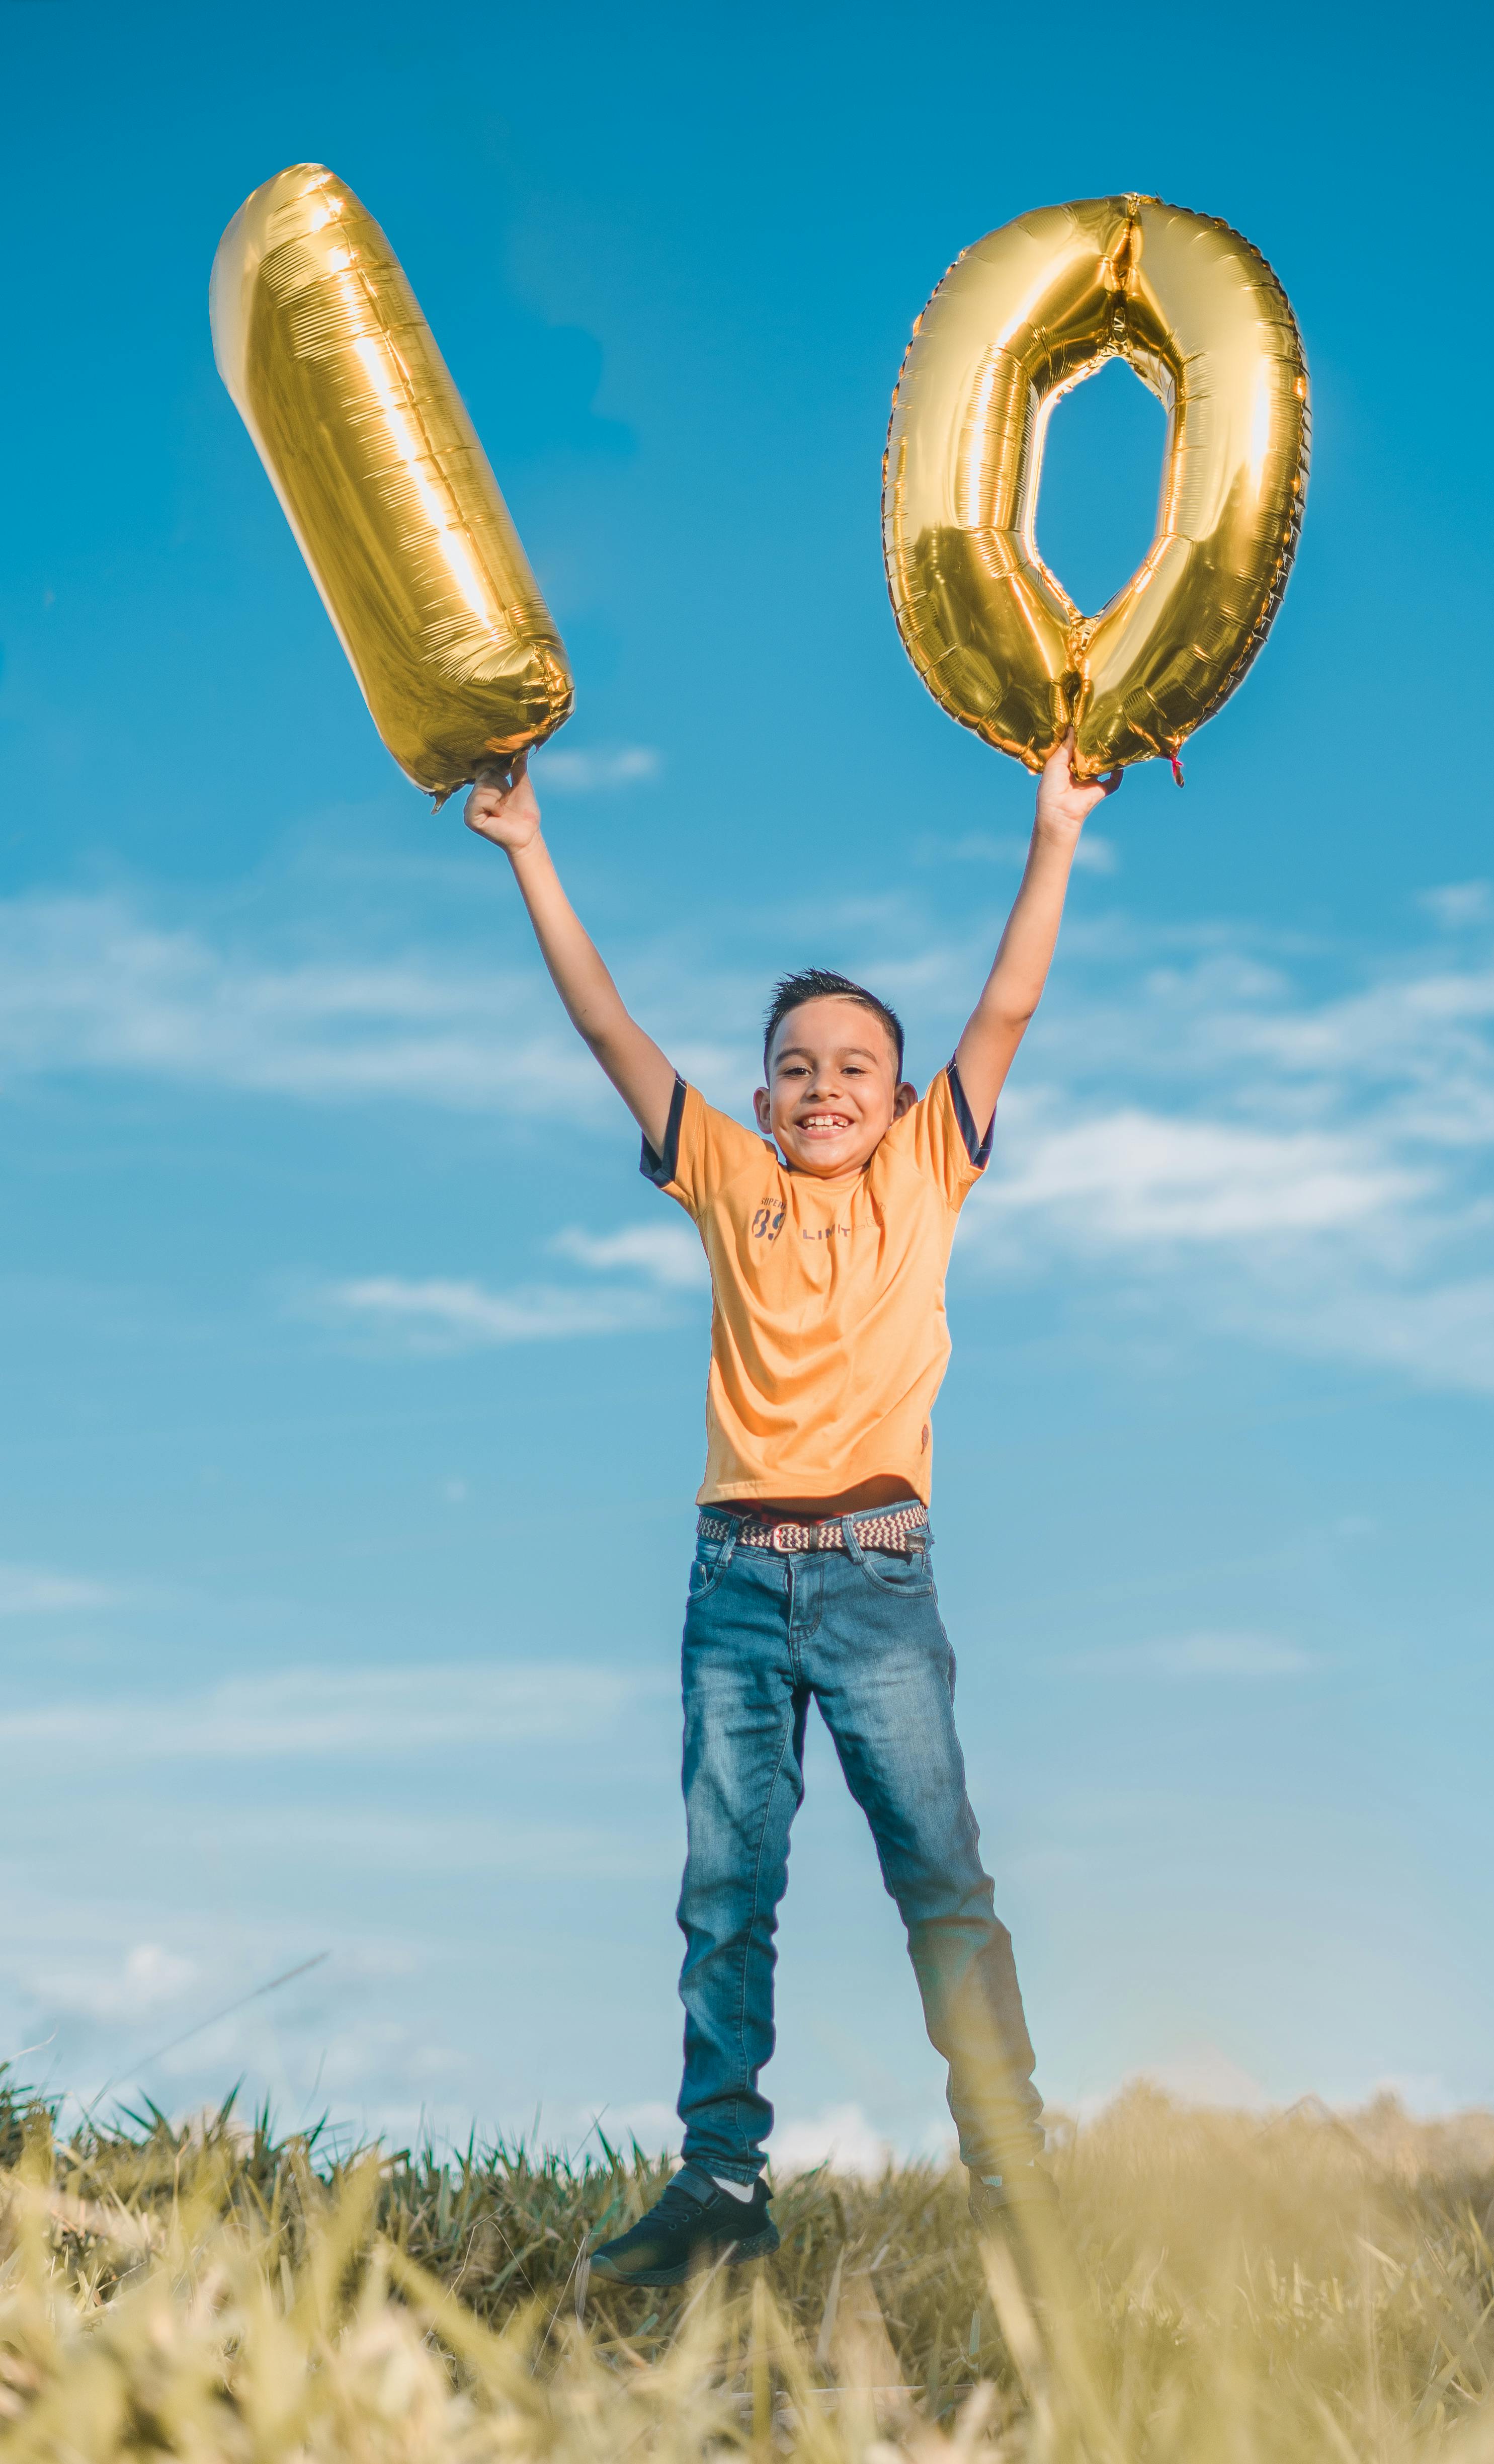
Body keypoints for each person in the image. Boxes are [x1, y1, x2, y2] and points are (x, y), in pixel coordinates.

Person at [465, 740, 1120, 2288]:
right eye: (797, 1066)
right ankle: (720, 2180)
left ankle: (1015, 2178)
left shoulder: (924, 1178)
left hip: (879, 1578)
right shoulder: (722, 1170)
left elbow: (1009, 1003)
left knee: (938, 1877)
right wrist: (526, 849)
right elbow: (605, 1020)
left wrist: (1054, 833)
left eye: (856, 1068)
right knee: (723, 1889)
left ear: (901, 1100)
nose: (826, 1086)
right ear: (761, 1095)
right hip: (735, 1582)